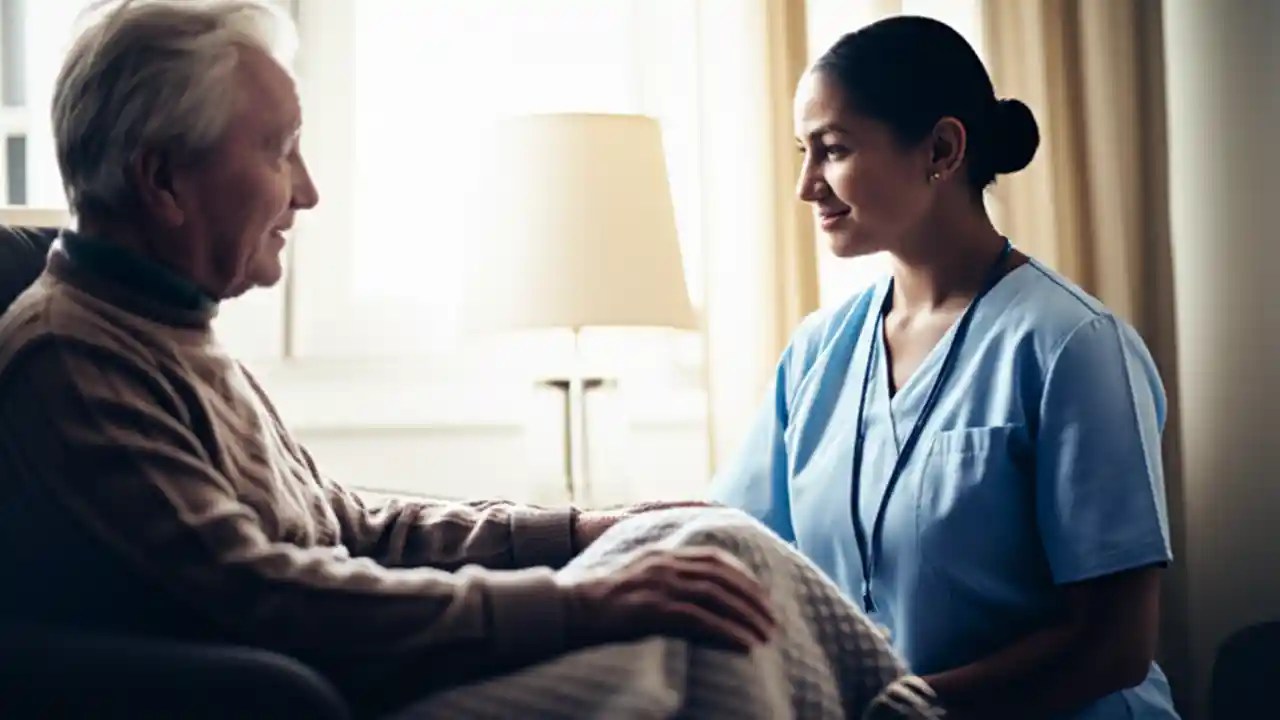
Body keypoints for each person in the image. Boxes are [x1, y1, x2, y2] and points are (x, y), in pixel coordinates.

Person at [0, 0, 776, 713]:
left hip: (372, 665)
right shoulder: (74, 359)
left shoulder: (172, 328)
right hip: (344, 688)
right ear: (162, 177)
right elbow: (263, 595)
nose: (306, 193)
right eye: (280, 152)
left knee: (715, 540)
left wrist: (579, 530)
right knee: (696, 654)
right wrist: (584, 603)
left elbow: (353, 527)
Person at [710, 16, 1180, 720]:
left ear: (941, 148)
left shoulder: (1072, 347)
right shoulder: (817, 352)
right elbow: (740, 546)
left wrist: (907, 708)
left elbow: (1113, 644)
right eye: (803, 153)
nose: (808, 185)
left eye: (833, 150)